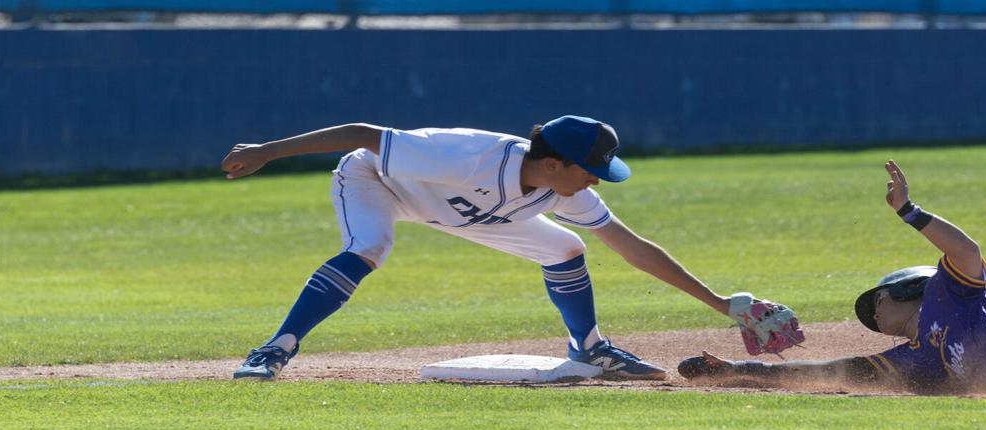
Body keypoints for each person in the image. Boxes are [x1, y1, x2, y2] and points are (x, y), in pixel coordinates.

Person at [221, 116, 780, 380]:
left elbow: (632, 247)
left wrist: (721, 304)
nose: (596, 180)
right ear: (554, 163)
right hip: (379, 182)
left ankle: (589, 349)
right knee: (370, 246)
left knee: (565, 249)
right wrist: (267, 150)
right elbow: (362, 136)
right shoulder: (469, 156)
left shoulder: (562, 190)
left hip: (468, 211)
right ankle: (274, 348)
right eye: (590, 169)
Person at [677, 161, 986, 401]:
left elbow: (966, 251)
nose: (873, 315)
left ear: (908, 288)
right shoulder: (915, 358)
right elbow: (834, 371)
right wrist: (738, 370)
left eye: (876, 300)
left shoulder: (949, 290)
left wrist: (910, 213)